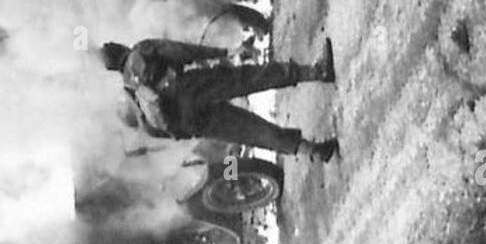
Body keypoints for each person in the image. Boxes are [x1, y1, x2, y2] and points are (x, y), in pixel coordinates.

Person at [102, 36, 339, 160]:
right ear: (121, 47)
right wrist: (224, 53)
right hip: (190, 88)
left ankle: (315, 151)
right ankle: (317, 72)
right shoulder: (141, 50)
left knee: (248, 131)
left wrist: (187, 129)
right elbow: (183, 51)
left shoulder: (131, 91)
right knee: (250, 78)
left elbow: (154, 129)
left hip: (190, 122)